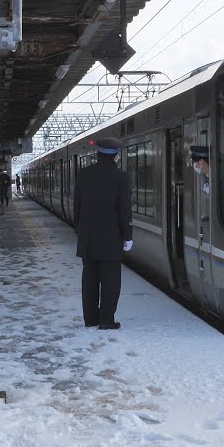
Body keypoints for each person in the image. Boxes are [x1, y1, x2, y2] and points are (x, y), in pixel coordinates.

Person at [74, 137, 132, 330]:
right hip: (111, 238)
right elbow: (124, 210)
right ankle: (106, 320)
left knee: (89, 281)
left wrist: (80, 231)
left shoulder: (83, 175)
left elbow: (77, 208)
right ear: (116, 155)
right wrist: (128, 236)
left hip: (88, 238)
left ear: (97, 154)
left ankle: (90, 319)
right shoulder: (121, 177)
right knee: (110, 281)